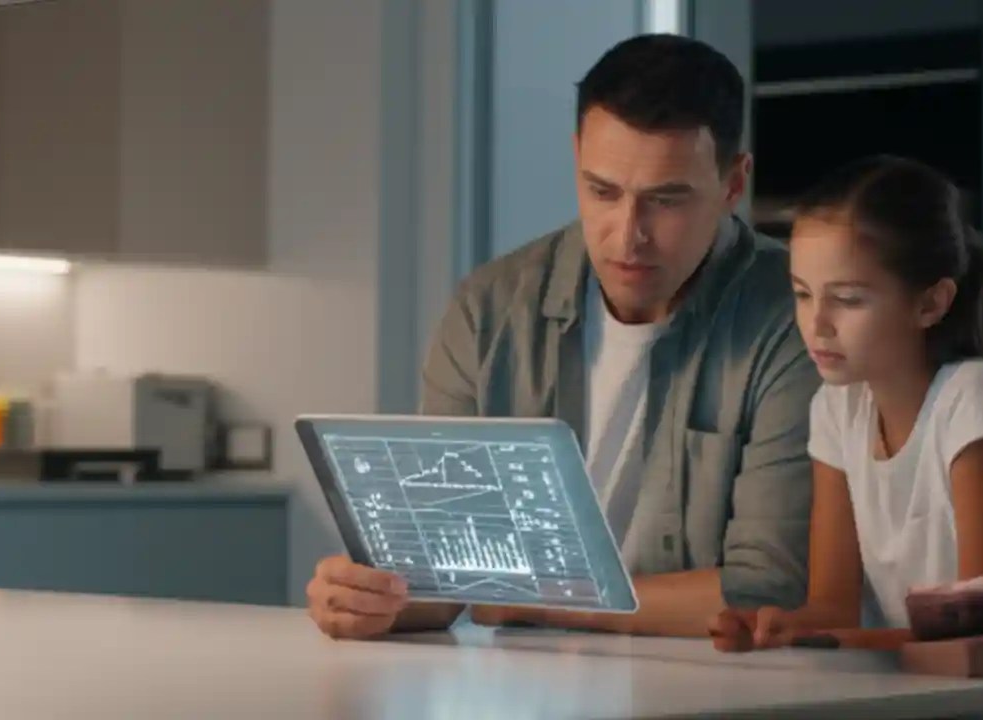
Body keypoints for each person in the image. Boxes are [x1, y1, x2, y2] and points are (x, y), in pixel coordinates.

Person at [305, 33, 821, 640]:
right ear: (576, 154)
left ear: (734, 183)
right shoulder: (488, 310)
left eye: (666, 200)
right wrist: (372, 600)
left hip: (718, 687)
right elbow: (443, 582)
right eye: (602, 191)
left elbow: (767, 590)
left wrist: (536, 603)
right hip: (526, 690)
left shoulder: (799, 317)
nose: (627, 235)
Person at [710, 156, 983, 716]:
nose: (816, 323)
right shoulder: (836, 408)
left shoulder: (978, 396)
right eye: (803, 294)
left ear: (931, 302)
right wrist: (773, 628)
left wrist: (826, 643)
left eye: (849, 299)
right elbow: (832, 609)